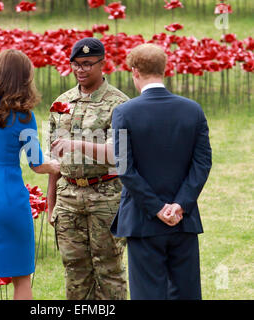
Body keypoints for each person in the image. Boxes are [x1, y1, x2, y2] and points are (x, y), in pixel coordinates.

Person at [111, 43, 212, 300]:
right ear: (164, 70)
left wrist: (156, 208)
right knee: (187, 293)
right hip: (184, 220)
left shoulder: (124, 112)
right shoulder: (193, 110)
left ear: (134, 72)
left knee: (147, 293)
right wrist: (179, 204)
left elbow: (125, 168)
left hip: (142, 220)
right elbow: (202, 164)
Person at [0, 49, 60, 300]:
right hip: (13, 201)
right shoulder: (24, 116)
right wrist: (57, 166)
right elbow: (36, 164)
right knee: (22, 278)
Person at [47, 38, 128, 300]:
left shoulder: (120, 104)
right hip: (68, 196)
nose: (80, 70)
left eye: (87, 64)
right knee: (75, 271)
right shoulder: (62, 103)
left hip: (106, 196)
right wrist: (51, 204)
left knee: (109, 271)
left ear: (103, 64)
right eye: (75, 65)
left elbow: (119, 155)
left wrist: (76, 143)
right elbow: (54, 161)